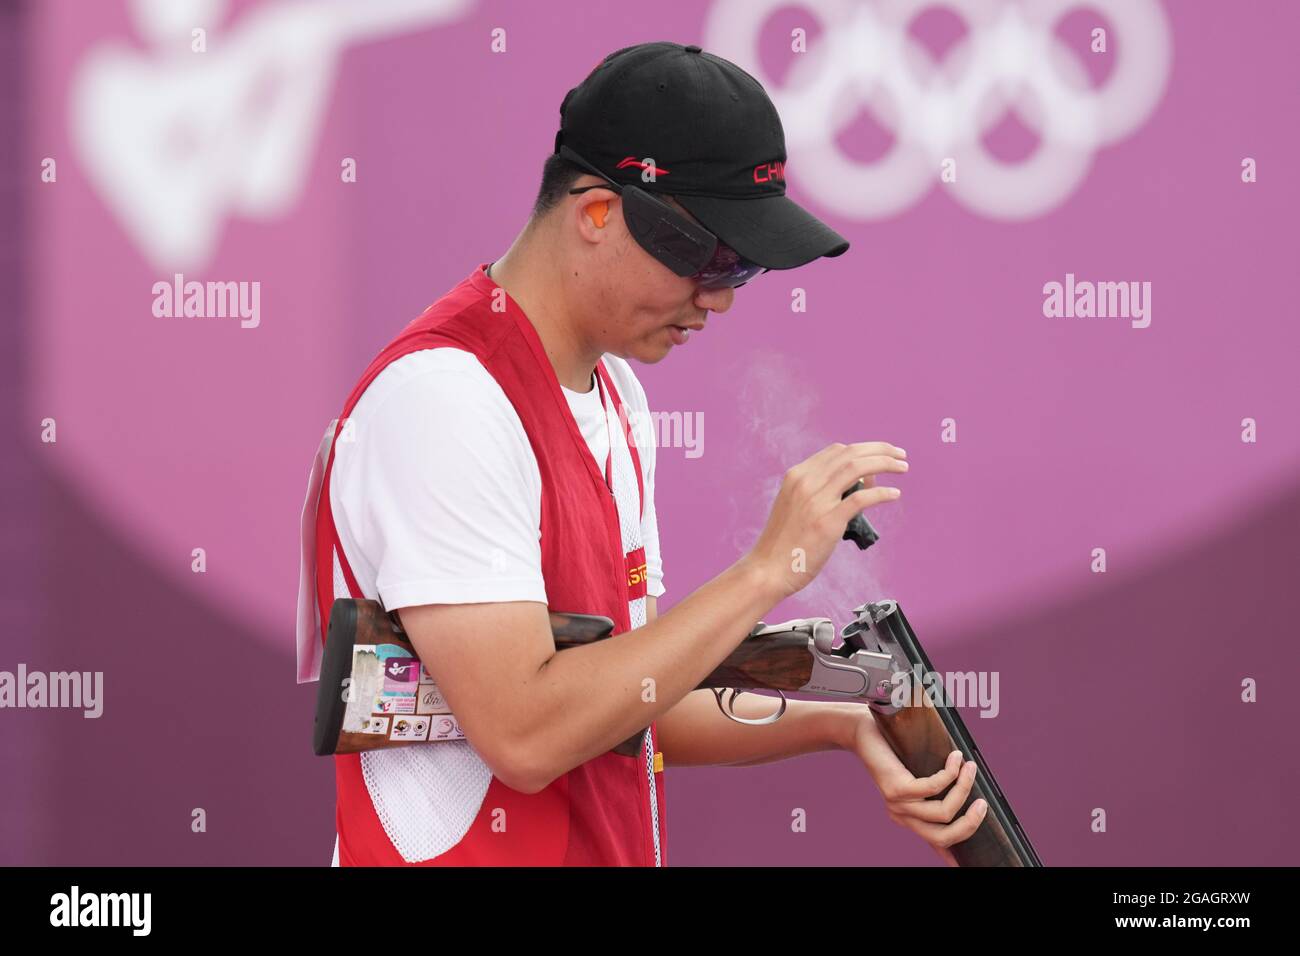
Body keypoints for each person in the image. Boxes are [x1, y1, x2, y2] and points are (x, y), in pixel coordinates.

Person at [299, 40, 986, 867]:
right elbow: (526, 731)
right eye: (709, 256)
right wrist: (764, 572)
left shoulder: (616, 394)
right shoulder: (446, 397)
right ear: (597, 212)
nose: (722, 296)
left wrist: (846, 721)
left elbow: (631, 703)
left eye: (747, 266)